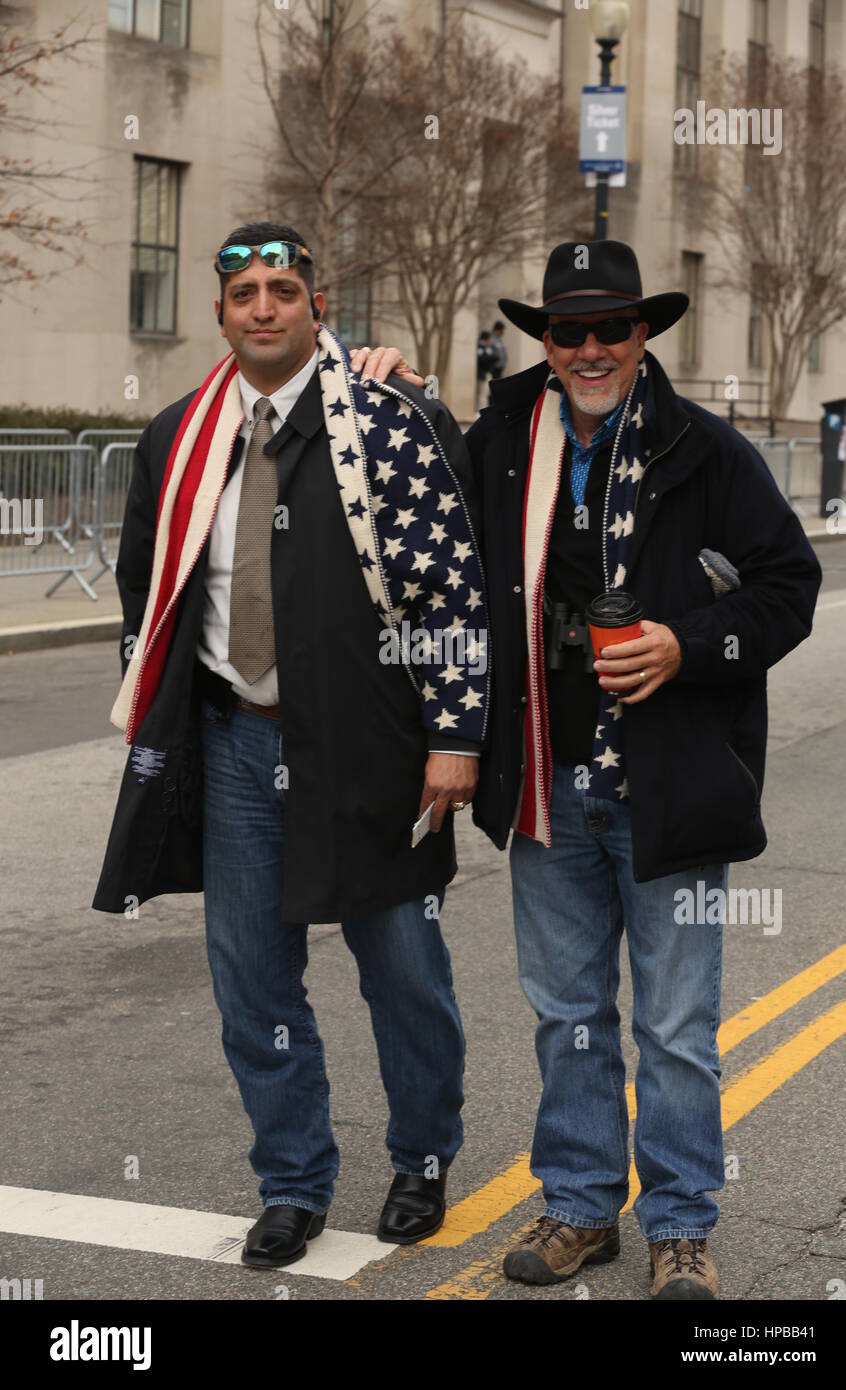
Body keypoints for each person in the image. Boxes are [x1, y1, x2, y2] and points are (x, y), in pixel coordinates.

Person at [352, 239, 822, 1299]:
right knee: (566, 1012)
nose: (592, 346)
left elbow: (786, 585)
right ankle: (576, 1207)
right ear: (547, 341)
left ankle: (680, 1229)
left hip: (672, 781)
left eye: (612, 326)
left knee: (673, 1025)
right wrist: (391, 391)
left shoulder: (707, 451)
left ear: (642, 333)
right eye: (569, 330)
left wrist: (687, 645)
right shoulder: (506, 437)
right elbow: (423, 516)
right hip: (545, 778)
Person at [92, 221, 490, 1267]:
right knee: (250, 977)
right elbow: (150, 594)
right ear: (220, 314)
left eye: (282, 288)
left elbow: (451, 588)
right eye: (243, 294)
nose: (263, 307)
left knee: (401, 964)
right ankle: (293, 1180)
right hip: (233, 742)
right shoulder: (175, 437)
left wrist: (454, 734)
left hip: (371, 744)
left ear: (317, 303)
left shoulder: (391, 419)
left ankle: (420, 1156)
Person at [476, 329, 496, 410]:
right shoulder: (480, 347)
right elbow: (482, 360)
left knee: (486, 394)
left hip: (487, 373)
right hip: (482, 374)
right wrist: (490, 358)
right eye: (489, 338)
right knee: (482, 394)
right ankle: (481, 410)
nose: (490, 340)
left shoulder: (487, 348)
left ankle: (483, 409)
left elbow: (494, 357)